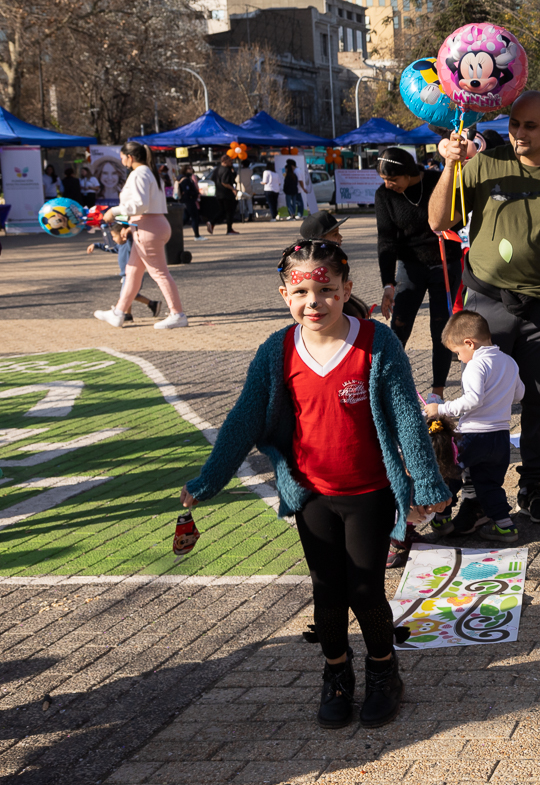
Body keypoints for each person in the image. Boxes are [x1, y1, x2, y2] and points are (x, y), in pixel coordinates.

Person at [179, 240, 450, 728]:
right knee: (327, 592)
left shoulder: (376, 342)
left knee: (365, 590)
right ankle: (336, 673)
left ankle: (384, 671)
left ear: (346, 289)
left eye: (326, 290)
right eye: (301, 291)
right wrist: (208, 480)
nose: (314, 302)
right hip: (311, 493)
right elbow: (243, 419)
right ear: (285, 294)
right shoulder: (277, 350)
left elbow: (406, 416)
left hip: (369, 493)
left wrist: (426, 483)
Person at [428, 91, 540, 525]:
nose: (520, 133)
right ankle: (476, 494)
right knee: (479, 402)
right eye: (514, 124)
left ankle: (532, 488)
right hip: (488, 306)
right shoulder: (484, 163)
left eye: (531, 126)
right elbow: (438, 221)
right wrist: (450, 165)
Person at [423, 310, 524, 542]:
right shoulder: (509, 361)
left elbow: (473, 400)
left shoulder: (476, 365)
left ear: (469, 343)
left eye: (458, 352)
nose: (460, 358)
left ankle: (442, 517)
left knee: (450, 474)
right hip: (500, 438)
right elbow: (520, 394)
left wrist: (441, 409)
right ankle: (505, 526)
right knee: (489, 484)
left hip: (473, 435)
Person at [374, 147, 462, 398]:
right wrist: (388, 284)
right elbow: (386, 241)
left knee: (441, 329)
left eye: (393, 179)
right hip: (410, 266)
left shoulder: (437, 181)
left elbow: (460, 218)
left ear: (408, 172)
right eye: (384, 179)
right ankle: (387, 387)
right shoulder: (384, 195)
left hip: (445, 263)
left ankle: (437, 393)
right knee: (399, 326)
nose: (388, 184)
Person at [93, 143, 187, 330]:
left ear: (130, 157)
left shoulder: (140, 174)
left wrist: (114, 211)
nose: (122, 161)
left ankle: (177, 314)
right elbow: (142, 205)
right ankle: (119, 312)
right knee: (132, 271)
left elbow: (139, 204)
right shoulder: (149, 173)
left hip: (147, 226)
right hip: (151, 224)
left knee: (159, 273)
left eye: (122, 157)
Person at [86, 221, 161, 322]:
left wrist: (128, 232)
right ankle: (133, 312)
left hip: (132, 274)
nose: (113, 239)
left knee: (126, 295)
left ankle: (125, 313)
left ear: (122, 234)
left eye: (114, 236)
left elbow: (131, 236)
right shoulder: (119, 246)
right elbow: (110, 248)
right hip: (126, 275)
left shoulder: (130, 244)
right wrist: (96, 245)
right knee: (131, 294)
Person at [208, 159, 240, 235]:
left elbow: (212, 178)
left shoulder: (217, 169)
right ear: (224, 162)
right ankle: (229, 229)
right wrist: (233, 189)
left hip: (219, 193)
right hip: (226, 194)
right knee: (229, 212)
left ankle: (212, 222)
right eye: (230, 161)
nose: (231, 163)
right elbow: (224, 182)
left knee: (223, 211)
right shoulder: (226, 170)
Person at [177, 167, 203, 239]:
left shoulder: (184, 178)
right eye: (189, 168)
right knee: (194, 217)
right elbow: (186, 191)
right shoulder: (185, 180)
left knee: (185, 218)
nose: (191, 170)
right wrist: (195, 193)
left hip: (185, 200)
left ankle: (174, 231)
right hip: (189, 200)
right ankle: (197, 236)